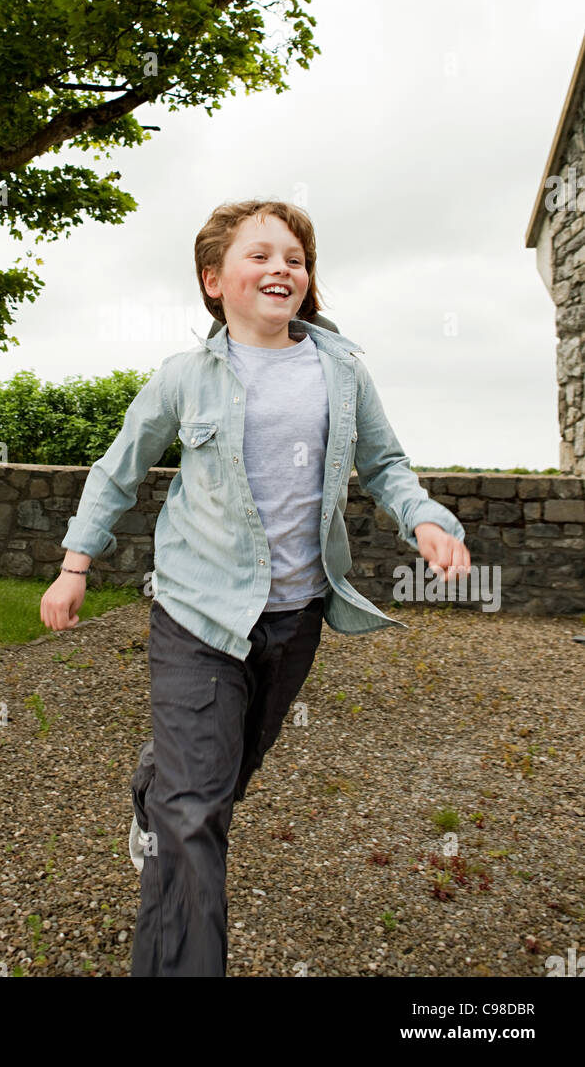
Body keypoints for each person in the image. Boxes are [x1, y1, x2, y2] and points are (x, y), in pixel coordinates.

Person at [40, 197, 471, 977]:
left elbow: (385, 464)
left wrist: (427, 520)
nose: (283, 268)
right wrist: (76, 567)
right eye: (261, 255)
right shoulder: (183, 377)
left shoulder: (341, 370)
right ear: (214, 280)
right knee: (197, 815)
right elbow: (117, 472)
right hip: (198, 616)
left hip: (296, 616)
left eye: (296, 259)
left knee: (223, 778)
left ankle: (154, 789)